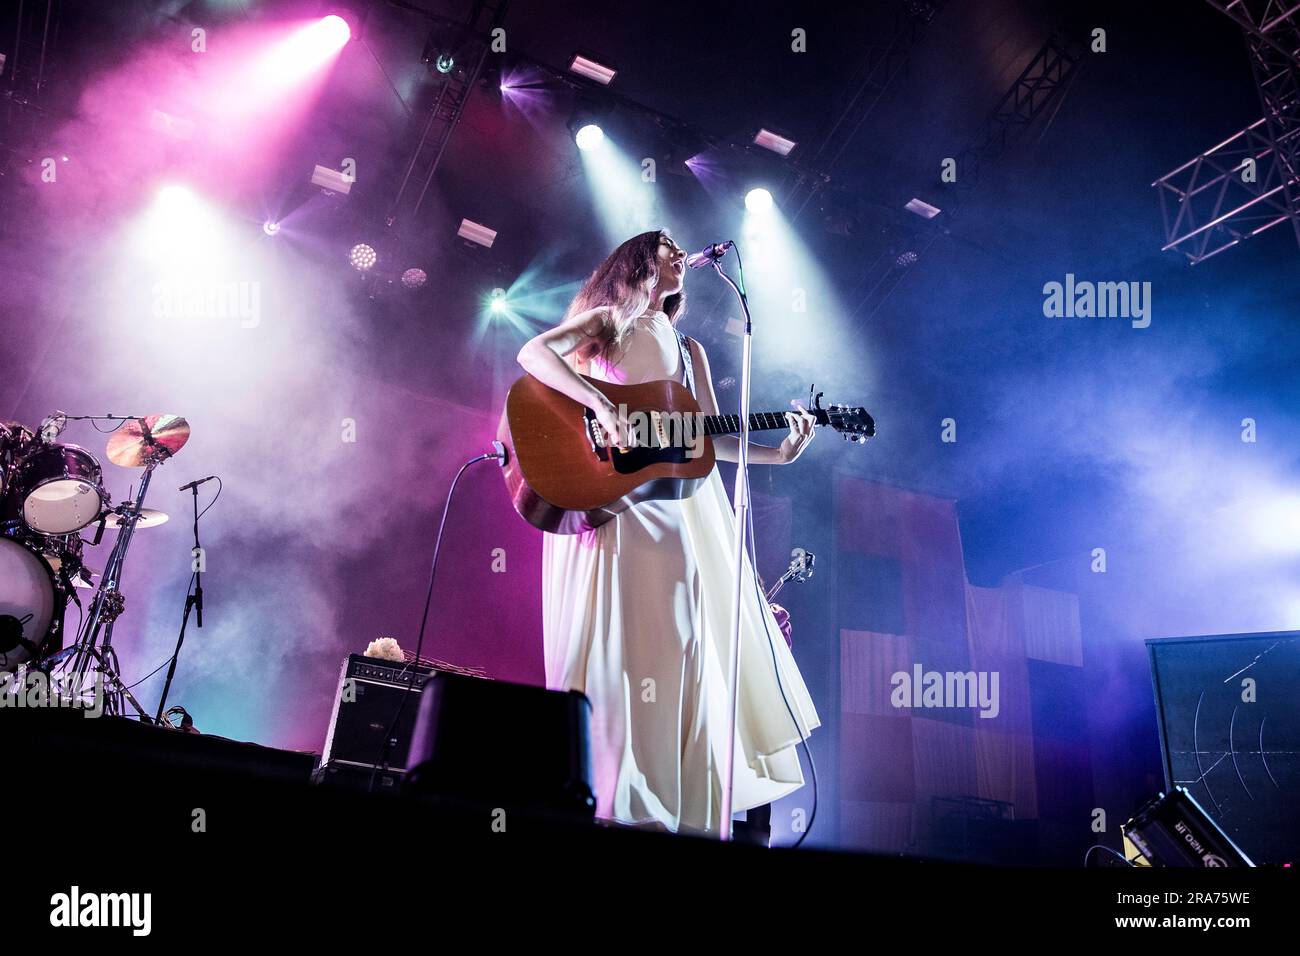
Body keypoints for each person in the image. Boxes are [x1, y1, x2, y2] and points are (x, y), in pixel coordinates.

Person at [515, 229, 821, 836]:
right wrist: (601, 407)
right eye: (667, 244)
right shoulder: (610, 320)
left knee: (684, 643)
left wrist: (779, 454)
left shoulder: (693, 353)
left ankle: (672, 807)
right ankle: (611, 797)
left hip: (675, 504)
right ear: (638, 260)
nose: (681, 251)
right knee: (620, 638)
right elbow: (534, 355)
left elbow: (708, 439)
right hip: (615, 495)